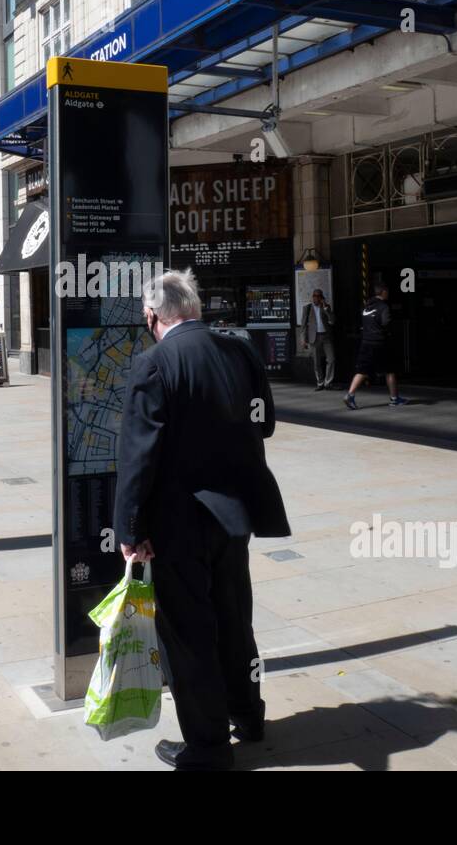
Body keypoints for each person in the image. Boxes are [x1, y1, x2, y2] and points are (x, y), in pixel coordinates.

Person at [114, 269, 290, 771]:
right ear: (193, 307)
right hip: (234, 517)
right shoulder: (242, 353)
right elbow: (265, 424)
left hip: (180, 521)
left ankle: (208, 747)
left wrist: (130, 530)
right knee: (236, 618)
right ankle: (248, 715)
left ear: (153, 316)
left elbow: (138, 457)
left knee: (189, 633)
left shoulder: (154, 365)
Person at [345, 283, 408, 409]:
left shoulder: (366, 307)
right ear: (383, 292)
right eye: (387, 292)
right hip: (380, 343)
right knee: (390, 370)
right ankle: (394, 399)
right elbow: (386, 323)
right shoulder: (383, 307)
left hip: (366, 342)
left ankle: (350, 395)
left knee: (362, 370)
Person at [301, 287, 336, 390]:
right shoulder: (307, 308)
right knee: (316, 362)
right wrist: (303, 339)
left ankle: (328, 382)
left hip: (326, 336)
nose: (316, 298)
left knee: (331, 359)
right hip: (314, 337)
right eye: (314, 296)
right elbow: (303, 325)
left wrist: (326, 309)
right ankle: (320, 382)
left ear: (321, 298)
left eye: (318, 296)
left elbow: (333, 321)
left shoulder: (326, 307)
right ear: (312, 297)